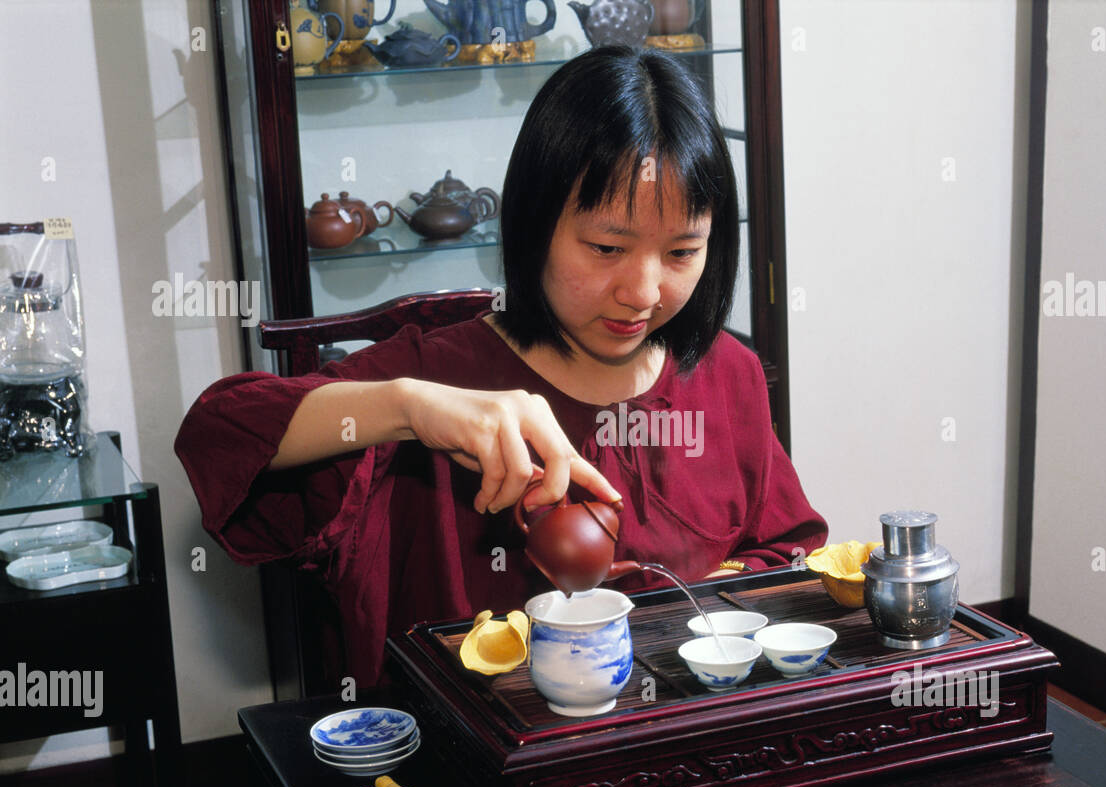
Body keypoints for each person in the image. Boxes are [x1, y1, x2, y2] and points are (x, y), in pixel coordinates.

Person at [175, 46, 827, 686]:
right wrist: (409, 408)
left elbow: (788, 555)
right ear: (534, 222)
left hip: (673, 756)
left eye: (683, 252)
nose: (644, 292)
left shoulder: (727, 376)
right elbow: (217, 434)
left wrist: (706, 599)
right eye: (606, 247)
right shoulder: (439, 372)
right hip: (470, 772)